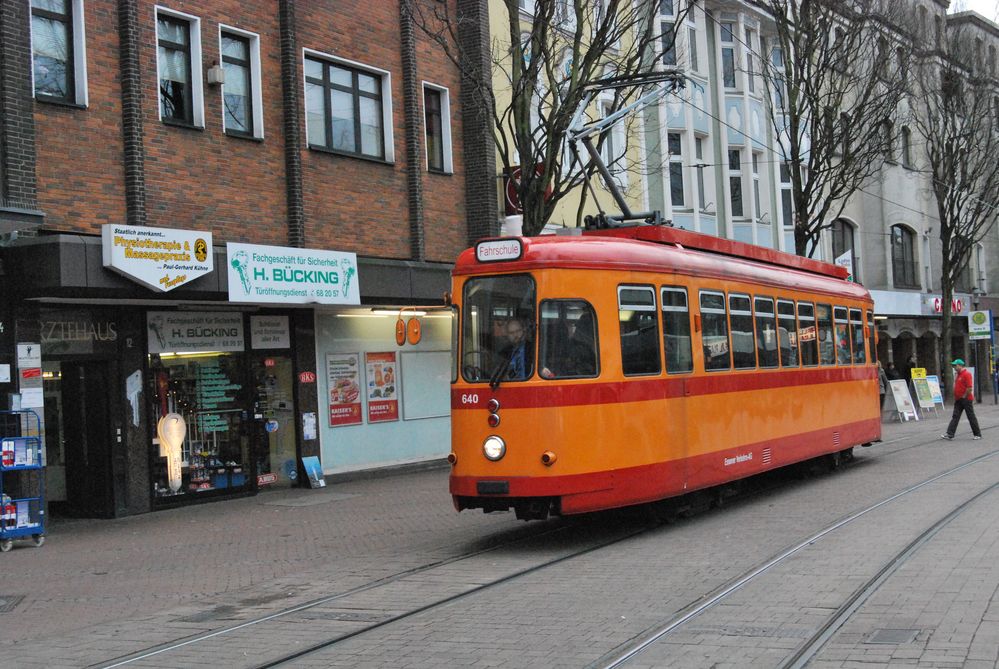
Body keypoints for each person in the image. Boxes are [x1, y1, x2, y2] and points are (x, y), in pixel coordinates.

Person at [942, 358, 982, 440]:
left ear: (960, 365)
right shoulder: (958, 374)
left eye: (955, 365)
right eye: (953, 365)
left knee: (971, 416)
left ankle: (977, 434)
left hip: (966, 399)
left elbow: (969, 387)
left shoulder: (966, 374)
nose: (954, 367)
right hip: (958, 399)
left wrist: (964, 396)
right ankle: (950, 433)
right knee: (955, 416)